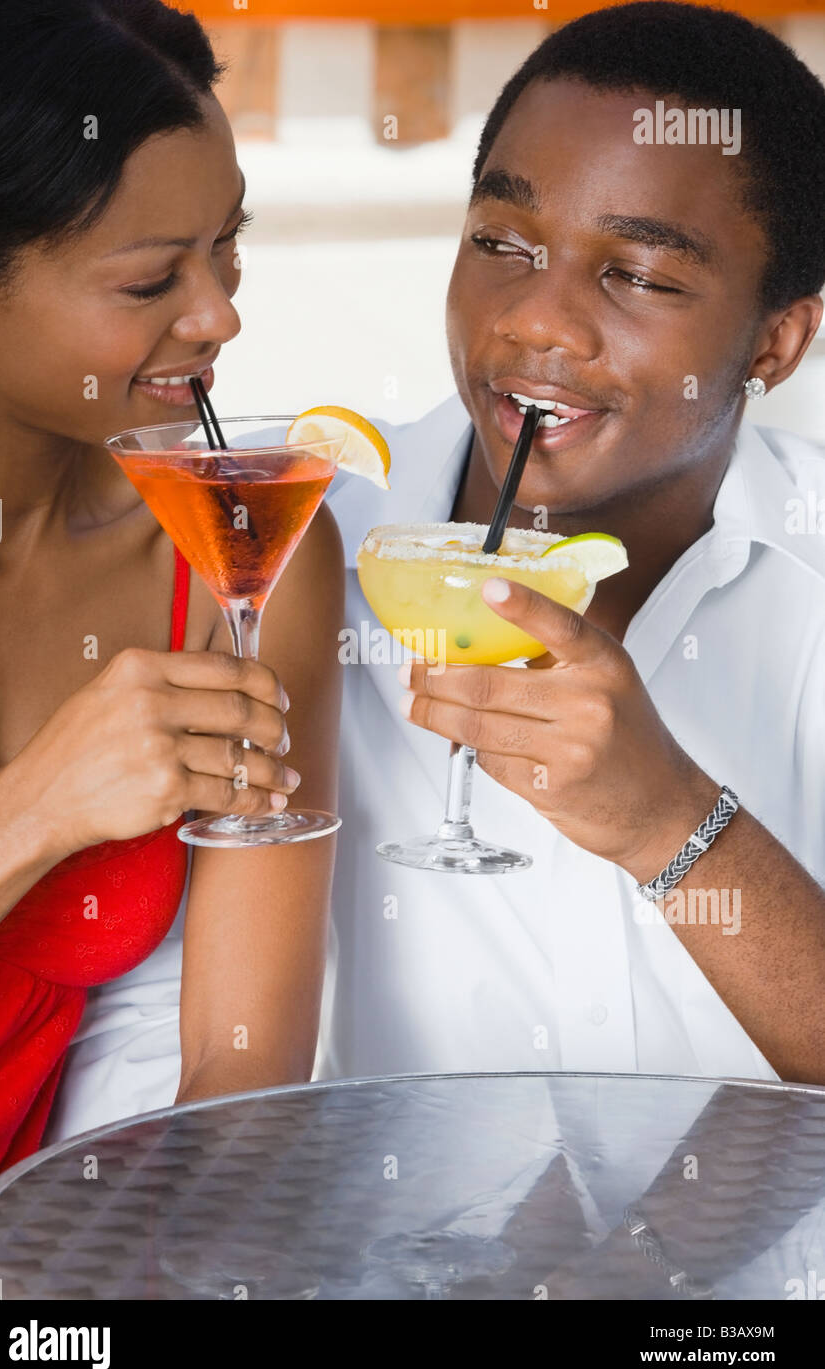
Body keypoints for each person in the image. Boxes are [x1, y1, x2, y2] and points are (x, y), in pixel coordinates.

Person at [48, 0, 825, 1147]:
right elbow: (160, 1036)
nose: (535, 323)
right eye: (499, 244)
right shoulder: (291, 547)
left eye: (639, 277)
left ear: (774, 343)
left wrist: (668, 821)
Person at [0, 0, 343, 1213]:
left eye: (227, 244)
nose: (221, 312)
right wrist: (36, 809)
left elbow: (240, 1086)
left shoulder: (236, 545)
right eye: (149, 279)